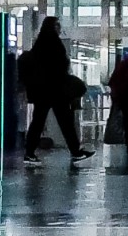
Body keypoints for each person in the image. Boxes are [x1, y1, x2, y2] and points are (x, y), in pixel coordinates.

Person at [21, 16, 94, 167]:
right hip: (54, 90)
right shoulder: (53, 43)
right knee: (63, 121)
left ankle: (30, 152)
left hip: (44, 90)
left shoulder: (40, 44)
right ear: (52, 27)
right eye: (57, 25)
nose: (59, 28)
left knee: (40, 121)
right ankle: (75, 152)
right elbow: (58, 67)